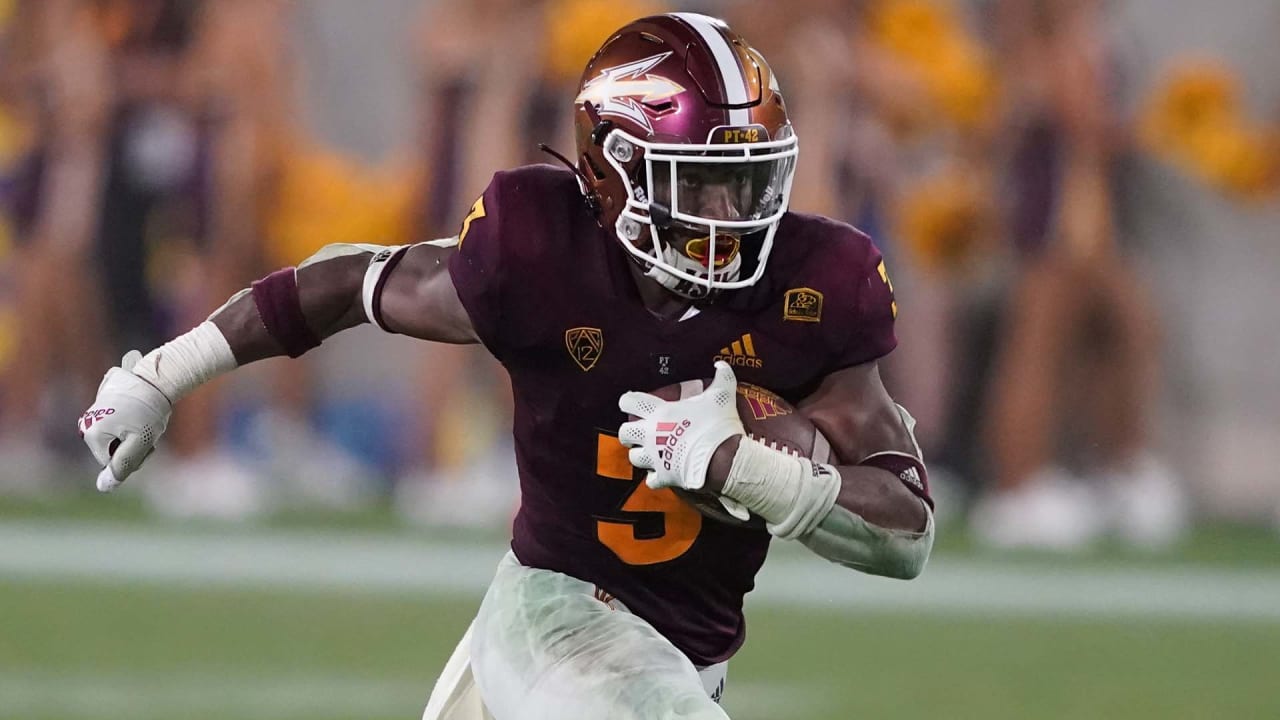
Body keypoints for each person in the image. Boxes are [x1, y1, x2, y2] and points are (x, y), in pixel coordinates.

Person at [78, 13, 934, 719]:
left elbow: (908, 531)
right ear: (616, 177)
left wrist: (748, 469)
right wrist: (164, 371)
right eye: (701, 183)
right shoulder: (540, 250)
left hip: (673, 659)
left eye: (748, 183)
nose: (735, 216)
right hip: (554, 613)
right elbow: (353, 282)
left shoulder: (814, 284)